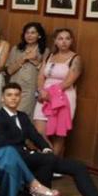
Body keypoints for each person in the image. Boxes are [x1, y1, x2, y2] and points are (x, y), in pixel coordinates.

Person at [32, 28, 79, 156]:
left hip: (63, 98)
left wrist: (50, 93)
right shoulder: (49, 56)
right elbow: (41, 76)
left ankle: (55, 164)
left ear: (71, 41)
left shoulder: (75, 58)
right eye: (60, 38)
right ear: (55, 41)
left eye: (67, 38)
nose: (64, 42)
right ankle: (49, 160)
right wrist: (41, 91)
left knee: (59, 133)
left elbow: (68, 82)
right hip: (44, 95)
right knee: (39, 130)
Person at [5, 22, 46, 117]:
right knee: (9, 116)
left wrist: (34, 60)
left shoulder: (44, 51)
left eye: (33, 33)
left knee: (21, 117)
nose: (29, 35)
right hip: (14, 89)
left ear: (39, 35)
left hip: (30, 91)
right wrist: (23, 58)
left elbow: (45, 73)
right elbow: (9, 71)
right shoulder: (16, 49)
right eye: (27, 33)